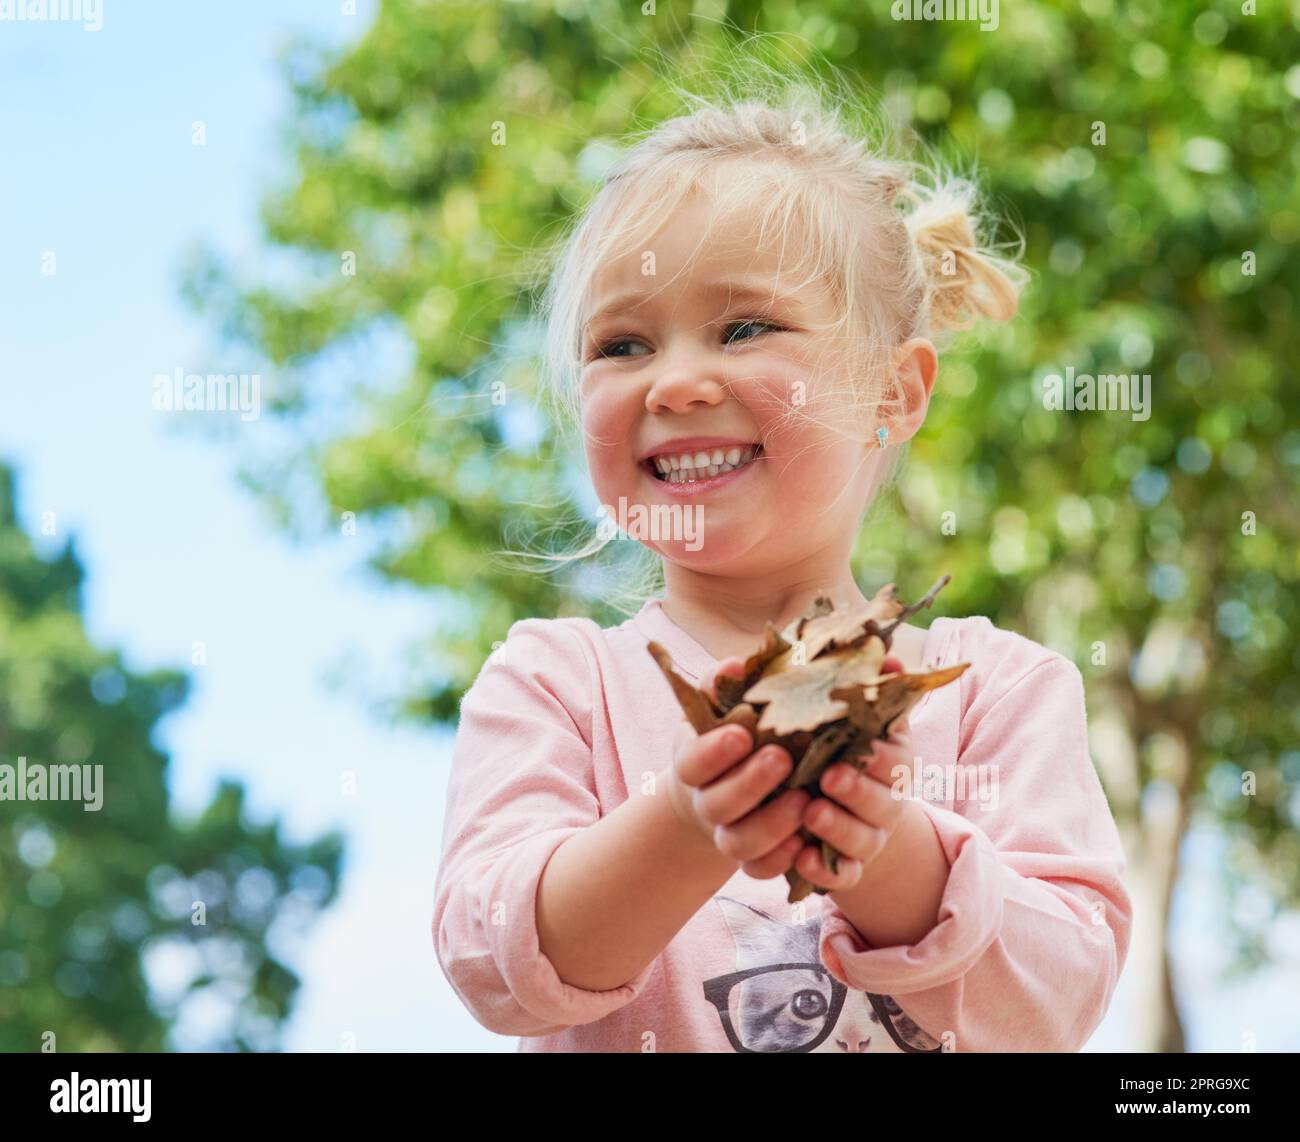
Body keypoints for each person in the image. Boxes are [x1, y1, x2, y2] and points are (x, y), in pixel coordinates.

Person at [432, 77, 1131, 1053]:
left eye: (745, 327)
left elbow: (1059, 995)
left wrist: (884, 850)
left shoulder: (997, 691)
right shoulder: (555, 683)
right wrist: (686, 818)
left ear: (893, 392)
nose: (674, 383)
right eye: (622, 343)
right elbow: (494, 960)